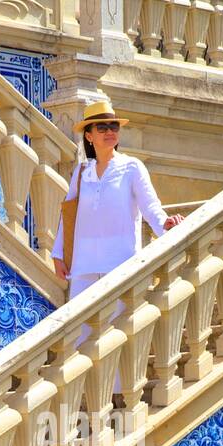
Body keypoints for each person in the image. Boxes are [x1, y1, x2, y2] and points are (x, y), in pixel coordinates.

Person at [52, 100, 184, 299]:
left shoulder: (132, 167)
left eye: (113, 126)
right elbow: (68, 216)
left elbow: (150, 206)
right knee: (83, 330)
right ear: (89, 136)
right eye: (102, 127)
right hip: (83, 267)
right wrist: (58, 255)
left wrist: (165, 224)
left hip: (121, 265)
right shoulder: (81, 172)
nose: (109, 131)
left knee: (117, 329)